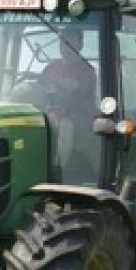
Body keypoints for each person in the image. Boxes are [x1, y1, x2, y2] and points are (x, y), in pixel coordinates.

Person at [41, 27, 99, 184]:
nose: (65, 46)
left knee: (66, 126)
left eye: (70, 42)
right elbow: (41, 87)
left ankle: (56, 172)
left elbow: (74, 87)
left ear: (79, 45)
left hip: (81, 120)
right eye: (63, 42)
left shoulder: (86, 70)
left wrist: (54, 83)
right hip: (53, 115)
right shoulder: (51, 68)